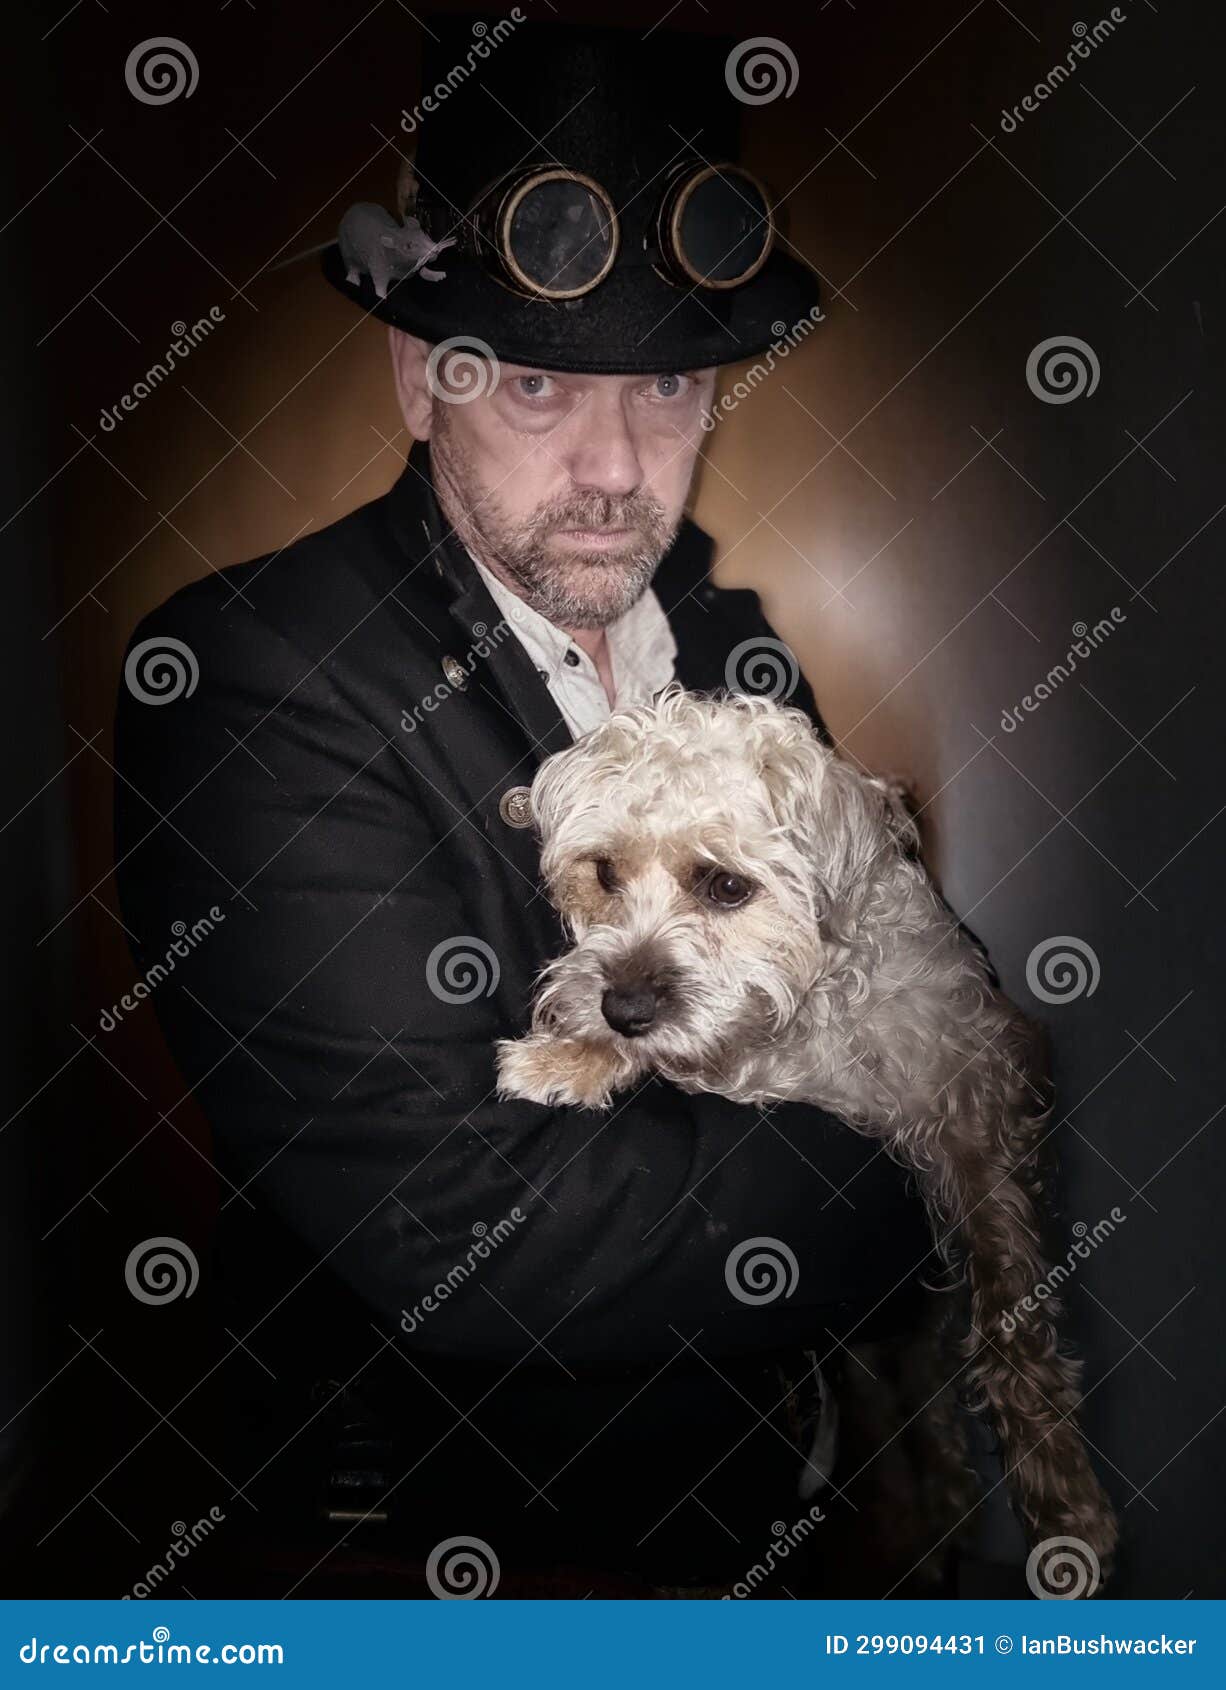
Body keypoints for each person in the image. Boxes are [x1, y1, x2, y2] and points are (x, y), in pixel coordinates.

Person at [112, 19, 931, 1594]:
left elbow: (893, 963)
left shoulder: (737, 647)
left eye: (671, 384)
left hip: (805, 1503)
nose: (617, 465)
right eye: (543, 386)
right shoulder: (250, 671)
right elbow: (474, 1229)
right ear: (425, 375)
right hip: (474, 1548)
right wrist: (936, 1158)